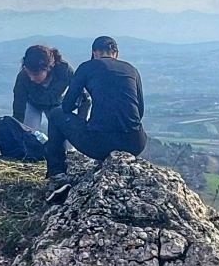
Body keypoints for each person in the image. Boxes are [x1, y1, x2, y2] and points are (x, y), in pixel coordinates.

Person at [46, 36, 146, 178]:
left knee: (56, 114)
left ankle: (57, 174)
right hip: (135, 143)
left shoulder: (87, 67)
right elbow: (140, 111)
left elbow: (67, 106)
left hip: (100, 145)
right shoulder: (132, 69)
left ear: (94, 53)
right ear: (116, 53)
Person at [13, 44, 74, 134]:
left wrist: (82, 120)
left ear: (48, 68)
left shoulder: (64, 70)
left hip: (57, 104)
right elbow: (19, 104)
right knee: (28, 134)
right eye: (29, 74)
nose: (31, 78)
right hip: (33, 104)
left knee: (67, 136)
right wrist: (16, 127)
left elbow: (83, 96)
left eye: (36, 75)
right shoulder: (23, 77)